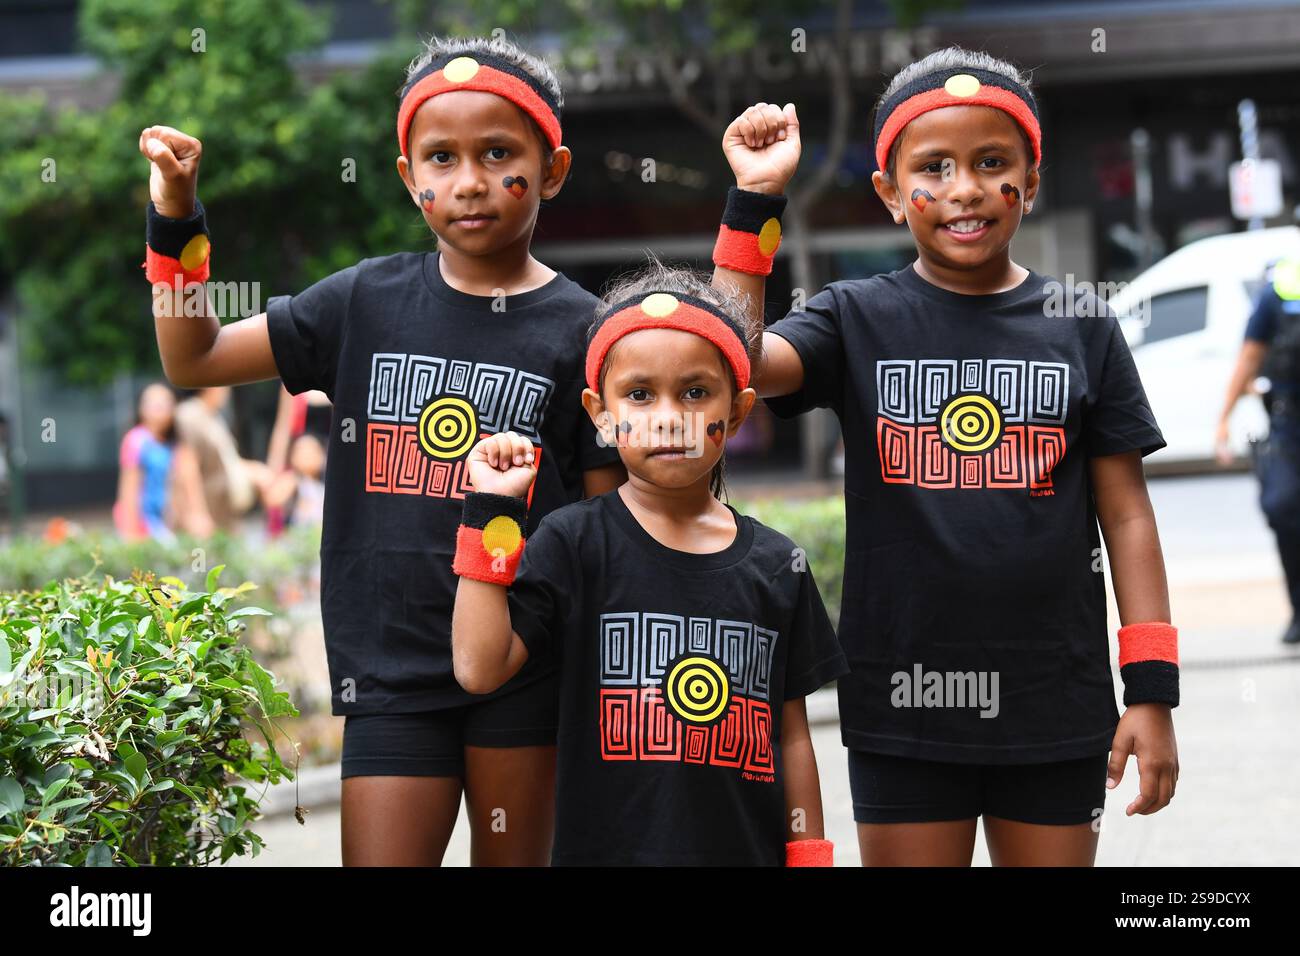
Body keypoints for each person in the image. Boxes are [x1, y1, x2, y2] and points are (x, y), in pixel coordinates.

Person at [137, 32, 645, 866]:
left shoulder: (588, 332)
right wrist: (175, 212)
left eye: (497, 154)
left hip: (526, 666)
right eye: (440, 158)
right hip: (388, 676)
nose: (470, 181)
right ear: (410, 179)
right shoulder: (363, 301)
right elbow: (193, 356)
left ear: (551, 170)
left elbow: (600, 523)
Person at [714, 47, 1180, 866]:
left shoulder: (1082, 322)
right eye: (934, 167)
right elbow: (734, 362)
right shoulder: (855, 316)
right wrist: (755, 200)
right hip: (902, 703)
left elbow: (1128, 515)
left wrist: (1152, 694)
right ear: (892, 194)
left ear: (1030, 181)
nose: (965, 188)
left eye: (991, 163)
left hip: (1056, 704)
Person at [451, 261, 848, 865]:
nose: (668, 415)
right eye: (639, 394)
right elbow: (479, 667)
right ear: (599, 413)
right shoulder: (573, 543)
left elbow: (792, 734)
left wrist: (810, 855)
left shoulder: (777, 563)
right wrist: (490, 512)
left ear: (738, 411)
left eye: (695, 392)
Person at [1215, 254, 1300, 644]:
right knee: (1282, 506)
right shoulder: (1281, 286)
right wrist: (1224, 419)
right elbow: (1250, 356)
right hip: (1288, 424)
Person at [174, 386, 272, 534]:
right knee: (201, 557)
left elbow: (226, 462)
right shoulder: (190, 415)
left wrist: (255, 471)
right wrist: (197, 512)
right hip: (206, 514)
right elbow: (187, 466)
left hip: (224, 514)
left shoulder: (211, 415)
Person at [113, 382, 180, 541]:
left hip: (161, 521)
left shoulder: (171, 444)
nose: (160, 407)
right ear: (142, 408)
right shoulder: (136, 440)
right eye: (154, 403)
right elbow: (129, 488)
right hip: (142, 523)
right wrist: (131, 533)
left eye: (165, 402)